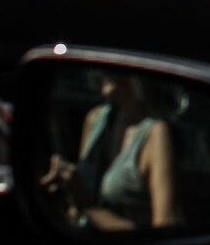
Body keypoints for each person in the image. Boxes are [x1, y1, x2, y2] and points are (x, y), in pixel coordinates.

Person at [41, 69, 182, 232]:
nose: (106, 91)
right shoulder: (96, 120)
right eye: (105, 77)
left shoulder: (155, 134)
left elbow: (164, 229)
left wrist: (88, 207)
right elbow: (78, 209)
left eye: (115, 77)